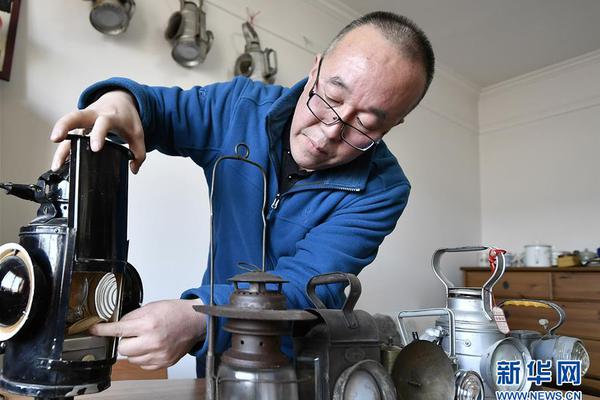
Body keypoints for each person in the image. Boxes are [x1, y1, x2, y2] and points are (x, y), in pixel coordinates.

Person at [50, 11, 434, 376]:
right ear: (315, 69)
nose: (331, 130)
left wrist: (200, 315)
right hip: (217, 358)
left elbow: (309, 286)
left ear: (393, 125)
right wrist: (119, 103)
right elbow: (157, 109)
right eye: (330, 99)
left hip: (301, 367)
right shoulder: (240, 108)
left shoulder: (383, 189)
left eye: (365, 124)